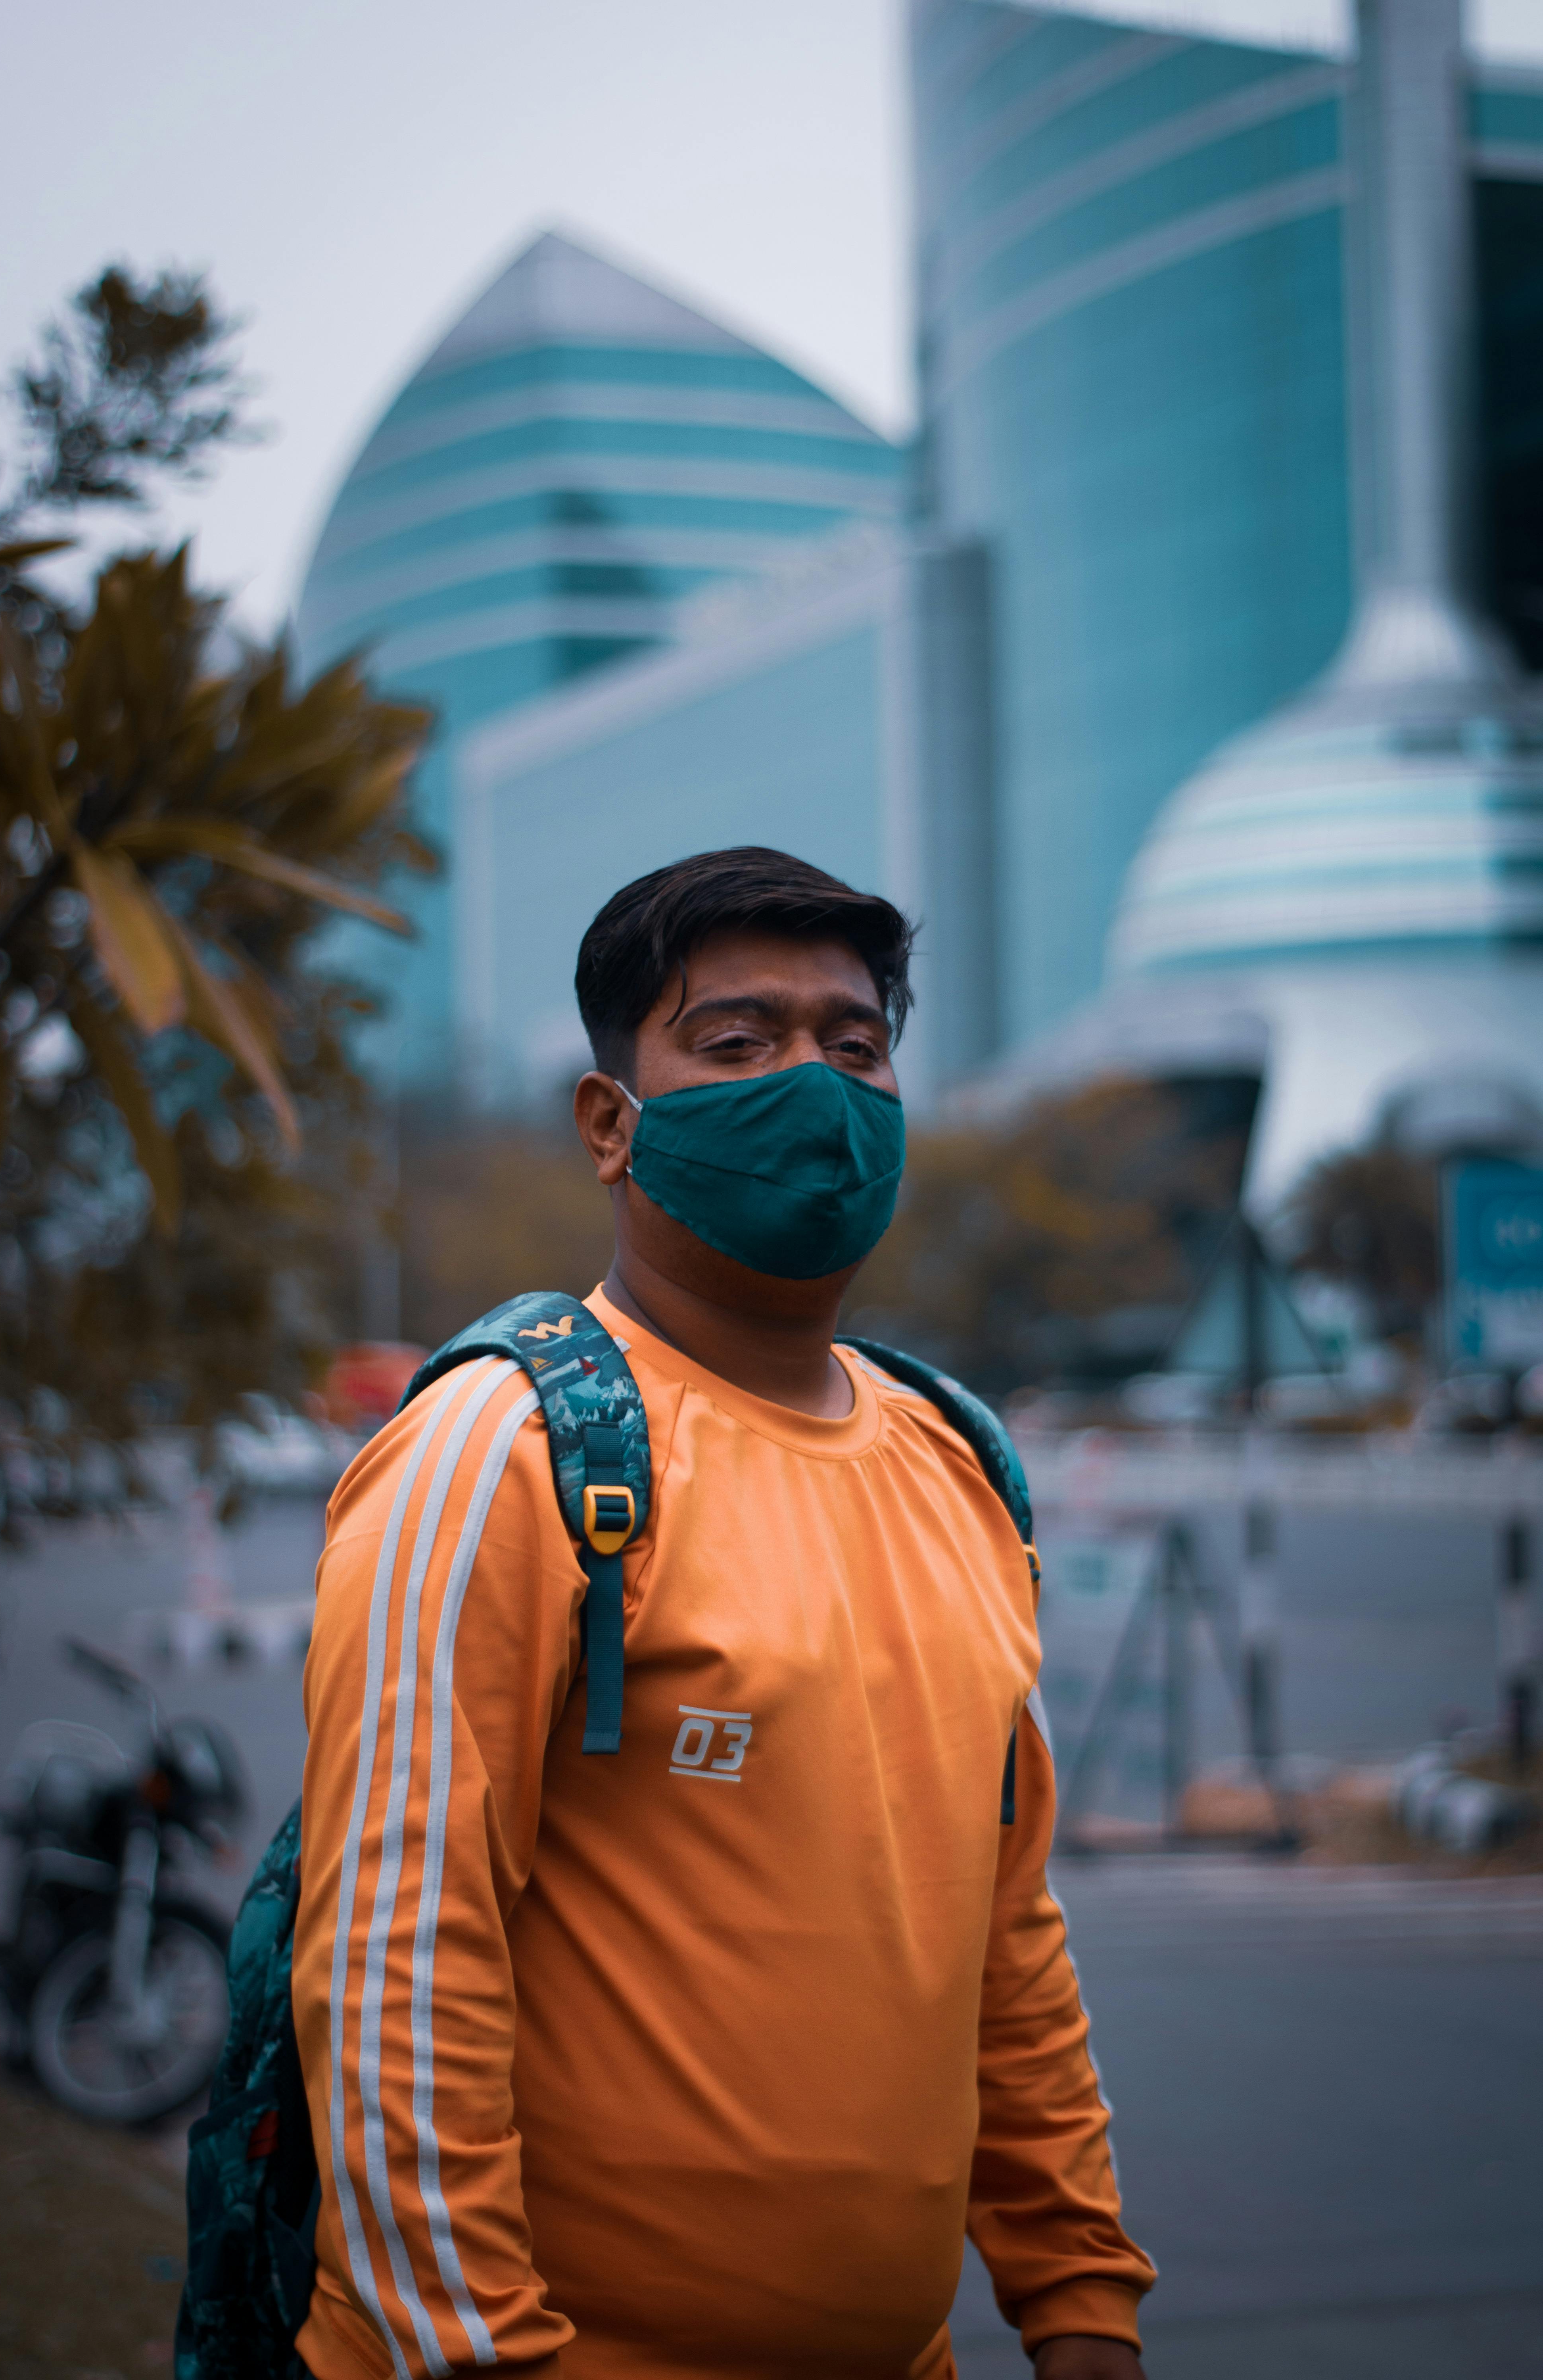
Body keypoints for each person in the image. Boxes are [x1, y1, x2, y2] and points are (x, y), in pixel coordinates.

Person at [292, 847, 1155, 2380]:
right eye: (738, 1044)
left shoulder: (961, 1468)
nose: (816, 1088)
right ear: (612, 1126)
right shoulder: (503, 1456)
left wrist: (1083, 2305)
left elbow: (1006, 1947)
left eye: (857, 1044)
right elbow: (397, 1974)